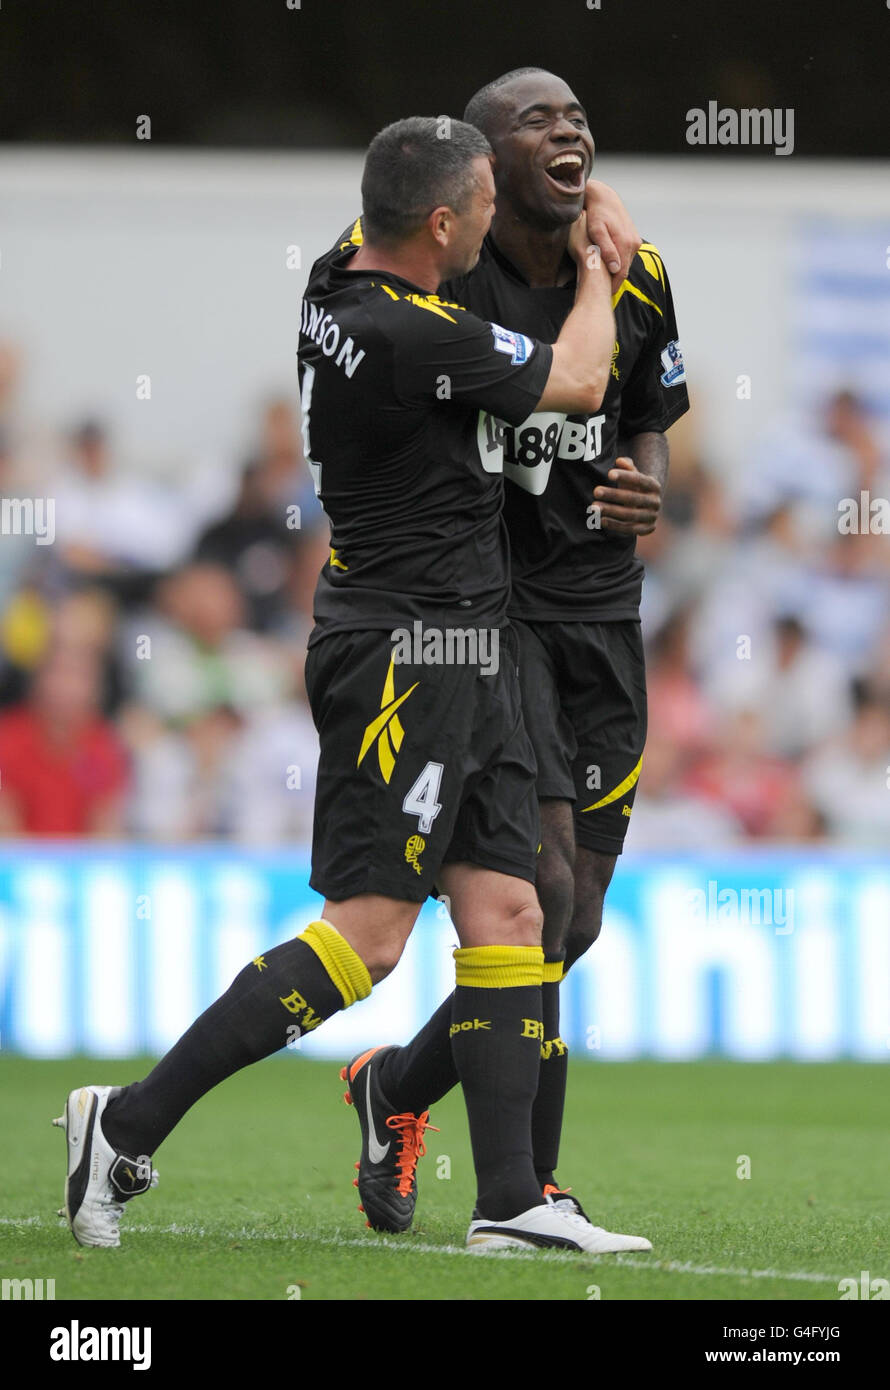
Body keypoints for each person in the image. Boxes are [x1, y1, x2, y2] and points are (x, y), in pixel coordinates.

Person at [55, 115, 643, 1254]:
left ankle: (510, 1200)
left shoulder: (339, 276)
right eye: (479, 208)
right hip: (404, 654)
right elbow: (577, 379)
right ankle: (120, 1126)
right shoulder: (410, 330)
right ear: (439, 224)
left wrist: (570, 185)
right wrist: (593, 267)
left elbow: (419, 183)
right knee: (369, 938)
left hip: (469, 649)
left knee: (511, 908)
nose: (490, 222)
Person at [340, 69, 688, 1242]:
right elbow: (363, 249)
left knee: (574, 919)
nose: (571, 128)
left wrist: (650, 486)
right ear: (481, 170)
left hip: (604, 616)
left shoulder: (639, 270)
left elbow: (642, 410)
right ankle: (531, 1194)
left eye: (580, 115)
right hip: (499, 612)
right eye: (539, 119)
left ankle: (392, 1087)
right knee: (530, 893)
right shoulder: (454, 269)